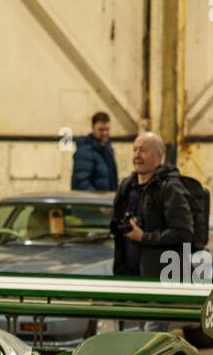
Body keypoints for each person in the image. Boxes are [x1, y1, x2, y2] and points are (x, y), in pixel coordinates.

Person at [111, 131, 192, 279]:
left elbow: (182, 233)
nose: (137, 155)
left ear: (159, 156)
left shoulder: (170, 188)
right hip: (128, 279)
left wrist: (144, 237)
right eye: (134, 150)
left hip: (162, 280)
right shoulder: (126, 186)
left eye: (143, 150)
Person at [71, 112, 118, 192]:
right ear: (93, 128)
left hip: (107, 198)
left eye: (107, 129)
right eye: (101, 130)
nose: (105, 133)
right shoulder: (85, 151)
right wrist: (97, 197)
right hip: (94, 199)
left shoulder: (107, 150)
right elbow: (81, 183)